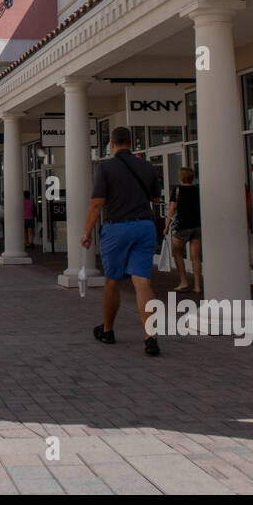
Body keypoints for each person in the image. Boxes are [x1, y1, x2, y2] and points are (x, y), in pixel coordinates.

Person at [82, 126, 161, 356]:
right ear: (131, 143)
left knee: (112, 281)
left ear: (112, 145)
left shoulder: (106, 167)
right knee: (142, 282)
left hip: (117, 227)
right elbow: (156, 197)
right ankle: (150, 335)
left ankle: (108, 330)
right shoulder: (146, 166)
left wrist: (87, 232)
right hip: (145, 226)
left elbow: (97, 203)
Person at [166, 167, 202, 294]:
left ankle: (184, 281)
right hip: (197, 226)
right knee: (195, 257)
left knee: (177, 253)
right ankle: (197, 286)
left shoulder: (177, 190)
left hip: (182, 226)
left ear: (181, 177)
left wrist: (167, 226)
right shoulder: (198, 190)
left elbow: (172, 209)